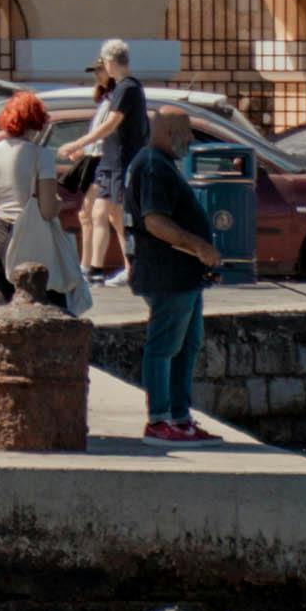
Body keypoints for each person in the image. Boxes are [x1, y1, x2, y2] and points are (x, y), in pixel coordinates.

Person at [125, 106, 223, 442]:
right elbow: (155, 221)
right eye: (187, 132)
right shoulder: (153, 165)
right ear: (168, 133)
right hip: (166, 274)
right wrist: (199, 246)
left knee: (188, 344)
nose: (192, 139)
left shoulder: (163, 164)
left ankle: (181, 417)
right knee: (164, 346)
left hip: (187, 277)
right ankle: (159, 420)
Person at [0, 90, 89, 315]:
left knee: (2, 311)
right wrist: (60, 205)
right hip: (31, 242)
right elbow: (46, 209)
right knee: (48, 309)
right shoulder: (41, 155)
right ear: (36, 122)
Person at [67, 40, 150, 289]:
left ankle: (107, 270)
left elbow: (111, 124)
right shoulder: (123, 89)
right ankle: (100, 269)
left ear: (111, 62)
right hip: (110, 161)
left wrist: (78, 143)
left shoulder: (128, 88)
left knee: (112, 216)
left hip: (121, 162)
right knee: (103, 214)